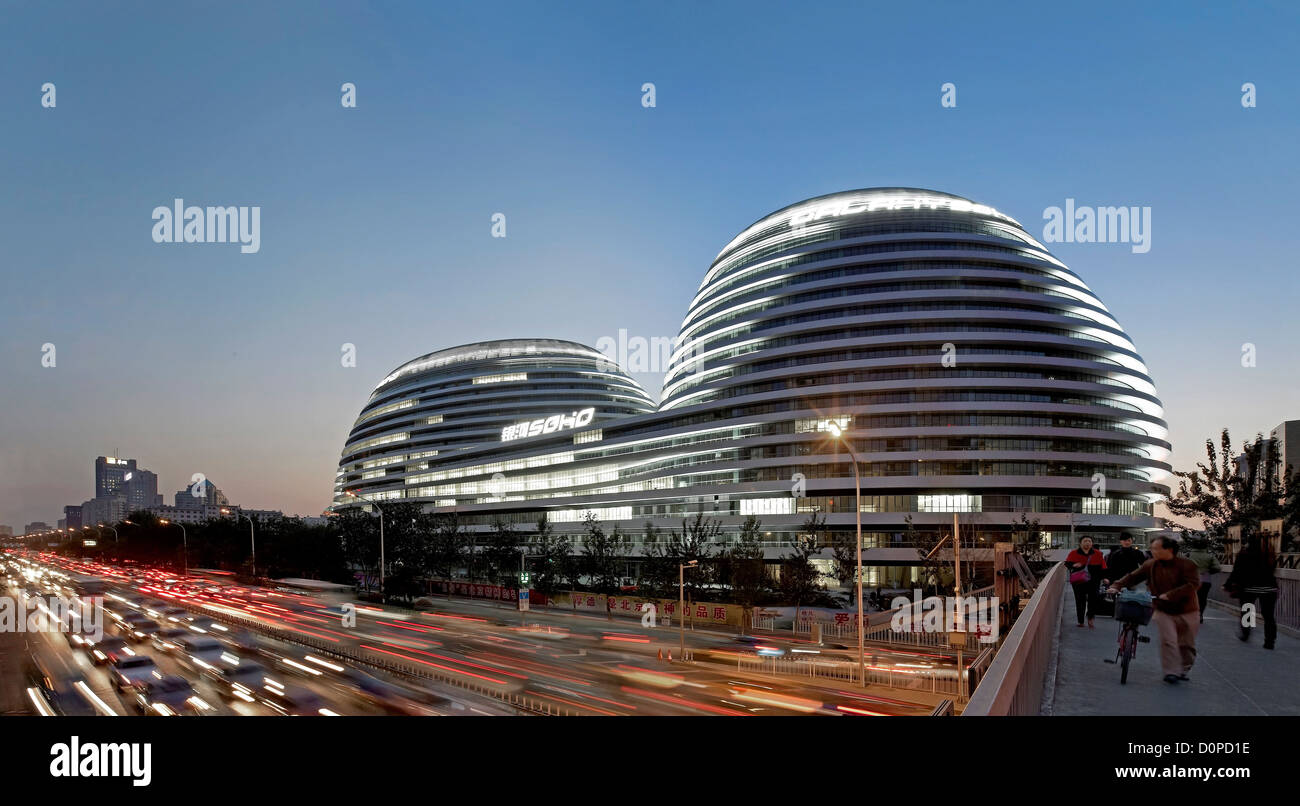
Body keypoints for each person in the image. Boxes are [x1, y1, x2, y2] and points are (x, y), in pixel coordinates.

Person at [1107, 536, 1201, 684]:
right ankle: (1171, 672)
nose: (1153, 551)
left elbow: (1193, 585)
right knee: (1168, 640)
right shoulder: (1150, 564)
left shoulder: (1187, 564)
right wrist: (1116, 586)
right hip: (1162, 609)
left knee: (1186, 644)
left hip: (1187, 610)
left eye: (1156, 549)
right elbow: (1133, 577)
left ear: (1169, 550)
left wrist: (1170, 595)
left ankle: (1184, 668)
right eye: (1152, 549)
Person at [1224, 536, 1278, 650]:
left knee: (1248, 611)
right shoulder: (1270, 554)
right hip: (1269, 588)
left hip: (1249, 588)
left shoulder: (1244, 554)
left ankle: (1246, 634)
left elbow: (1236, 572)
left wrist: (1228, 584)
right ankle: (1269, 641)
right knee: (1268, 616)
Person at [1065, 536, 1107, 628]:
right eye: (1085, 541)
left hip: (1094, 581)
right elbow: (1067, 563)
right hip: (1078, 581)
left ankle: (1090, 617)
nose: (1087, 543)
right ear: (1080, 543)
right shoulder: (1074, 553)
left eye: (1089, 541)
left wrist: (1104, 578)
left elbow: (1103, 567)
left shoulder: (1098, 554)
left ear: (1092, 543)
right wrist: (1074, 565)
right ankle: (1080, 621)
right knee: (1080, 600)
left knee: (1093, 599)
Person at [1185, 543, 1221, 623]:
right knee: (1202, 598)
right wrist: (1209, 572)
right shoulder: (1209, 556)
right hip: (1205, 580)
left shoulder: (1188, 555)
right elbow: (1218, 567)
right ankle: (1200, 614)